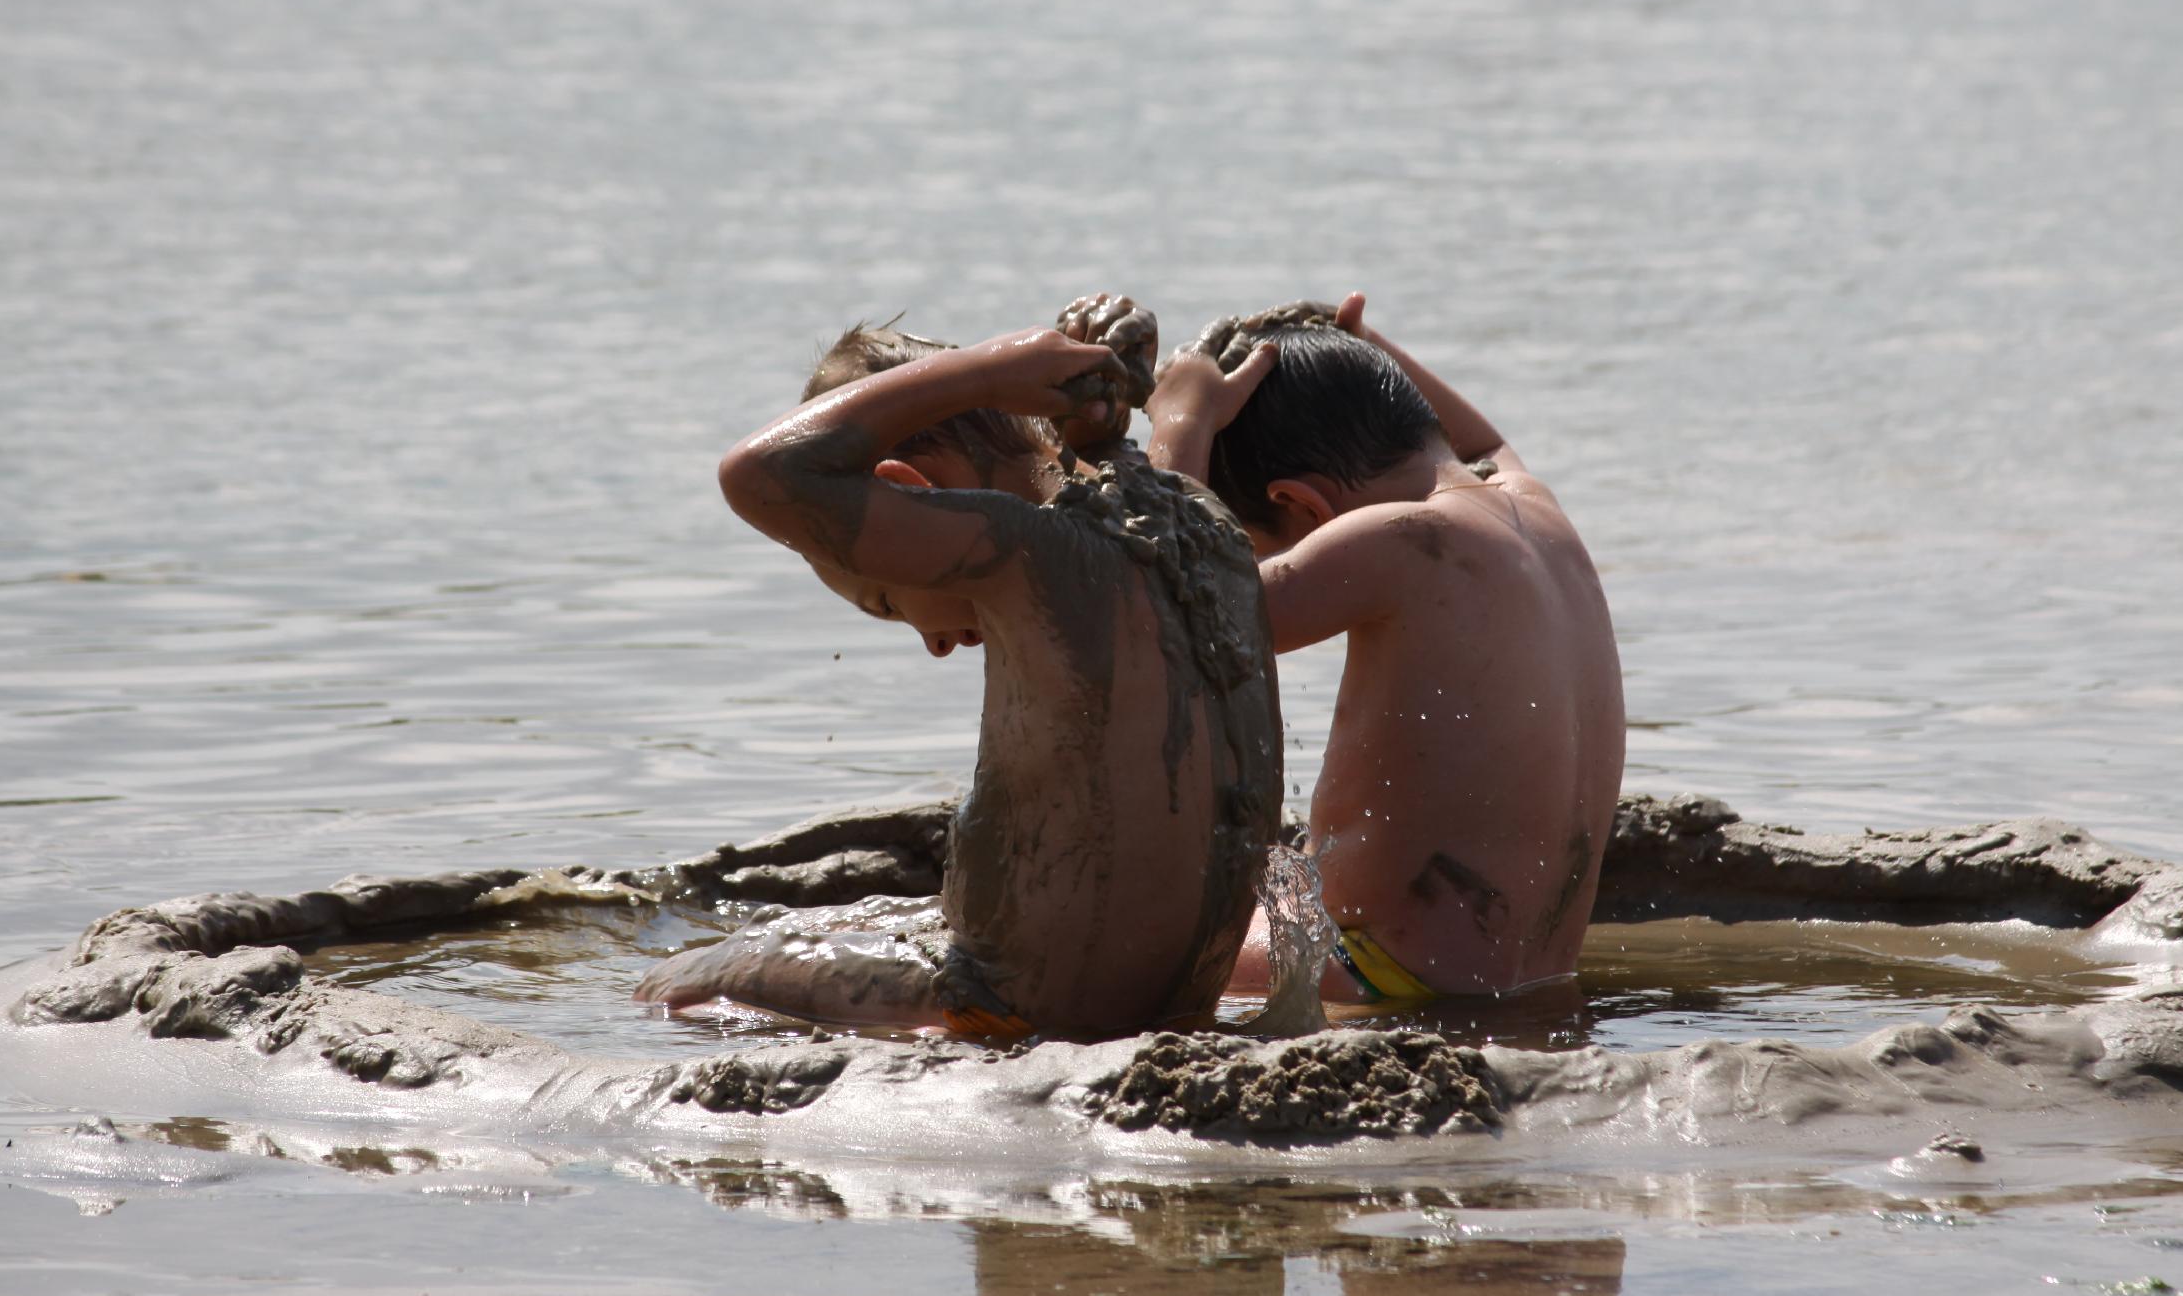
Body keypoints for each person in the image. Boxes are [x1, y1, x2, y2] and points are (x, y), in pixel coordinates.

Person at [635, 308, 1282, 1041]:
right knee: (889, 918)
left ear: (909, 491)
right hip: (1184, 1005)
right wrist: (1166, 410)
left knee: (683, 979)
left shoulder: (1028, 552)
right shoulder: (1200, 521)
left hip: (1029, 1009)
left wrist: (991, 369)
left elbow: (758, 474)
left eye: (885, 594)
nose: (933, 646)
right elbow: (1138, 474)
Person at [1146, 293, 1623, 1004]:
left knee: (1142, 933)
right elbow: (1485, 444)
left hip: (1382, 974)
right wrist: (1373, 348)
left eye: (1254, 545)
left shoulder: (1401, 541)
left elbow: (1174, 602)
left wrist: (1181, 425)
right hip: (1534, 975)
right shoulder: (1534, 503)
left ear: (1303, 506)